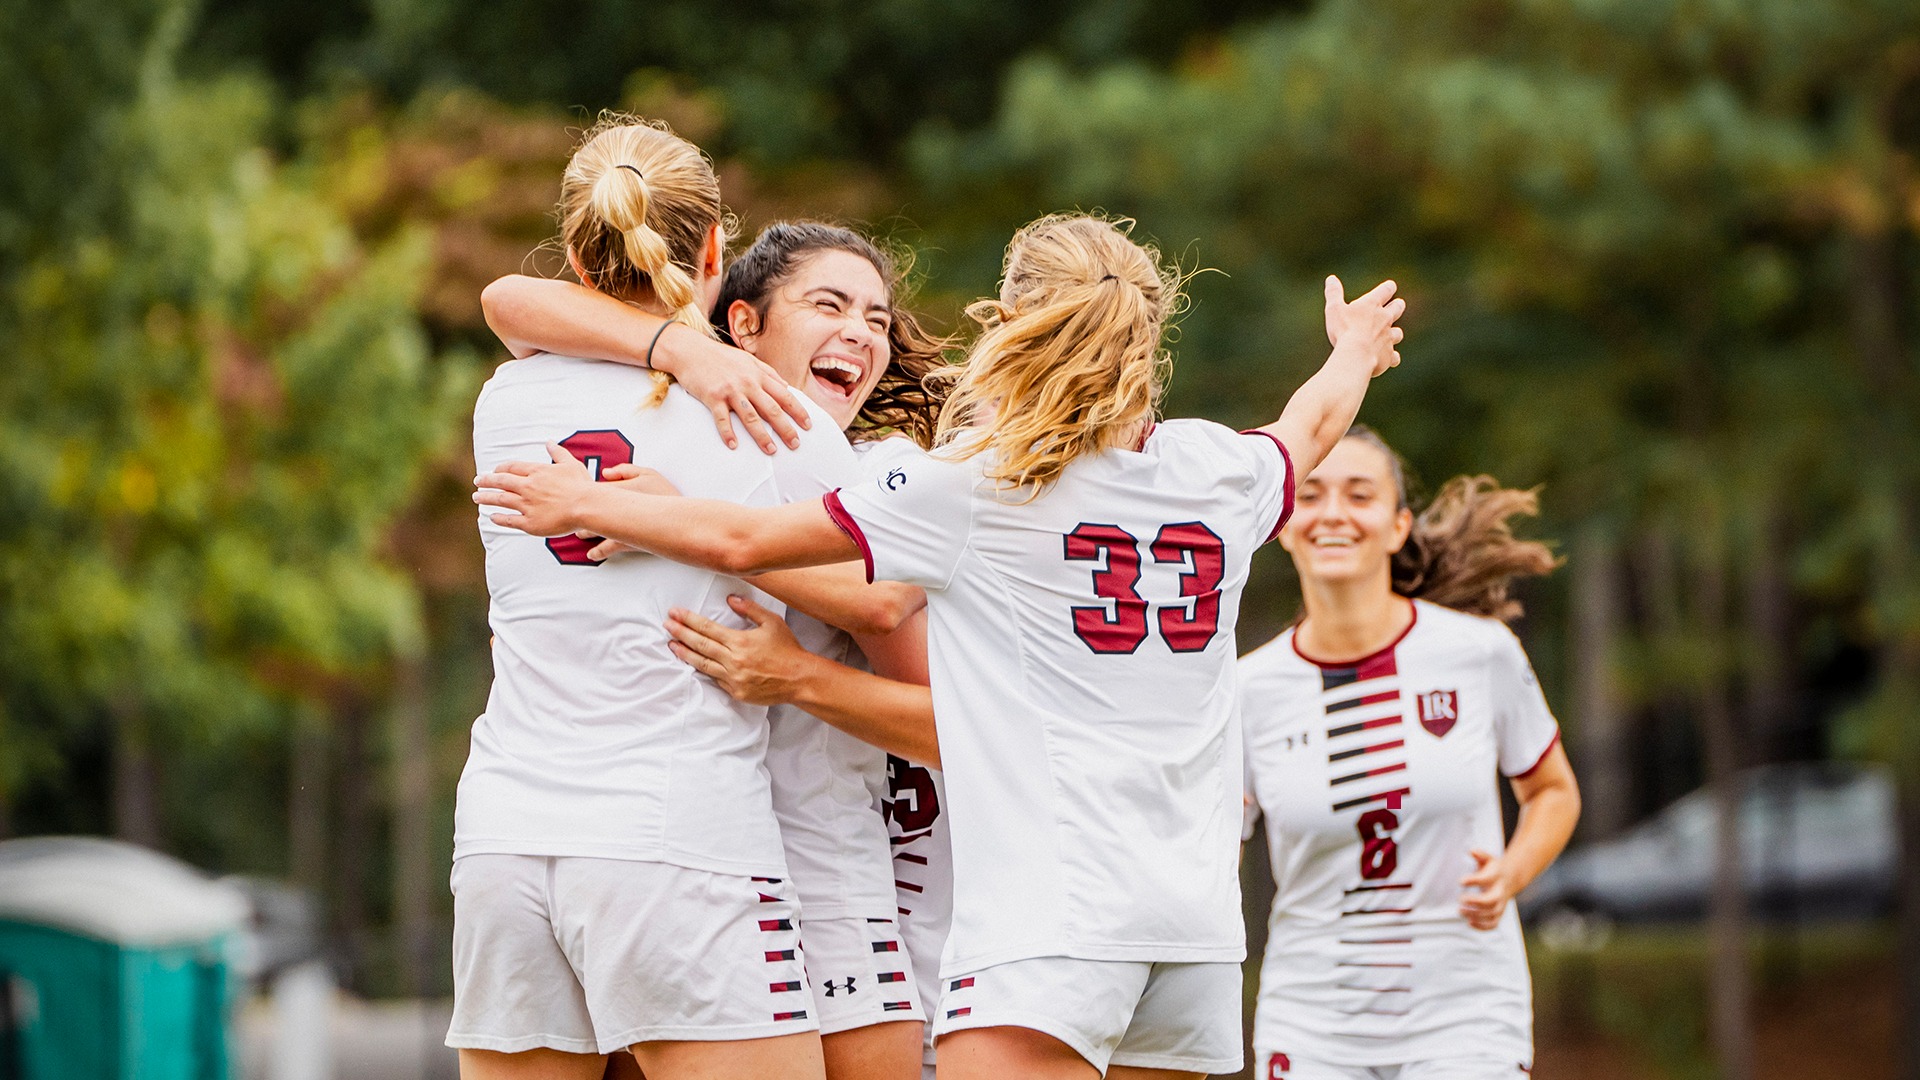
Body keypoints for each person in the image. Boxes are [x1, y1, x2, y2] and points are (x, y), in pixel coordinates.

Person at [474, 212, 1407, 1080]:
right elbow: (1312, 423)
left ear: (1008, 323)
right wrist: (1355, 351)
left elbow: (746, 544)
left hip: (1048, 940)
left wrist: (598, 504)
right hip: (1196, 942)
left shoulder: (968, 487)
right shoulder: (1219, 469)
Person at [479, 220, 952, 1080]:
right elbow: (511, 299)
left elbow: (892, 622)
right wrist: (680, 356)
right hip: (660, 867)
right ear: (741, 327)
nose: (862, 332)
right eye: (830, 304)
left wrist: (676, 525)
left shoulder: (877, 466)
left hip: (824, 879)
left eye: (879, 319)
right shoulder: (673, 421)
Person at [1236, 428, 1582, 1080]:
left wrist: (1511, 874)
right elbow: (1215, 848)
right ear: (1283, 526)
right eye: (1309, 496)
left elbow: (1553, 791)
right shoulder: (1247, 690)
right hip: (1311, 1020)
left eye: (1358, 495)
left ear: (1397, 527)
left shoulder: (1479, 653)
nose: (1333, 513)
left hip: (1465, 1013)